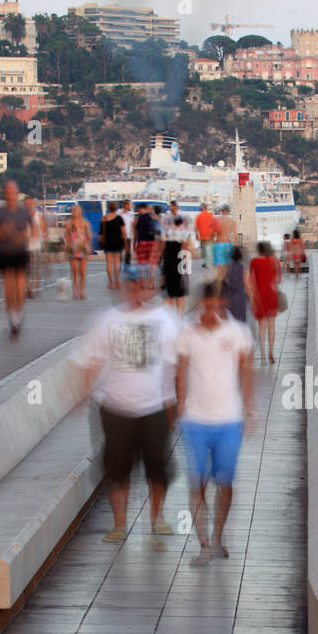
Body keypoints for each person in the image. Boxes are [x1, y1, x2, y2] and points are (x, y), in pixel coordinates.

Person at [74, 273, 180, 546]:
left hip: (154, 408)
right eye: (131, 288)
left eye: (143, 287)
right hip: (115, 408)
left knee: (158, 470)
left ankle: (156, 519)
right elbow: (91, 360)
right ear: (124, 290)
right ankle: (120, 523)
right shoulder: (107, 319)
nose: (136, 293)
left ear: (152, 289)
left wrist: (175, 405)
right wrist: (82, 393)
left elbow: (176, 366)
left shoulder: (166, 320)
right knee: (118, 471)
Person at [175, 282, 254, 566]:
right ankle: (203, 544)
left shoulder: (238, 332)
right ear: (201, 303)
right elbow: (180, 370)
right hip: (194, 420)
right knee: (197, 482)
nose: (210, 309)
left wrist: (249, 408)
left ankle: (218, 535)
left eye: (215, 303)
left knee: (225, 482)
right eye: (206, 303)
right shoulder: (186, 332)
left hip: (228, 419)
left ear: (221, 302)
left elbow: (246, 370)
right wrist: (180, 402)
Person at [0, 182, 33, 339]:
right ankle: (13, 319)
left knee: (20, 287)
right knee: (9, 287)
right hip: (5, 252)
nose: (11, 195)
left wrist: (21, 235)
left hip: (21, 251)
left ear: (17, 194)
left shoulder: (24, 213)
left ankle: (18, 315)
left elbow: (33, 232)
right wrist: (4, 231)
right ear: (5, 194)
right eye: (8, 192)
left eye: (13, 192)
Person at [247, 240, 281, 365]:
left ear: (259, 250)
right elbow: (279, 279)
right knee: (271, 326)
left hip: (259, 297)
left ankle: (262, 354)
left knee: (261, 327)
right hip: (272, 296)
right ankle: (271, 352)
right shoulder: (274, 261)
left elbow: (251, 281)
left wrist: (251, 298)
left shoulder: (254, 262)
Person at [160, 213, 192, 315]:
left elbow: (162, 250)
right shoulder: (185, 234)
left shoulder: (167, 233)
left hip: (167, 264)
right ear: (182, 222)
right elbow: (185, 253)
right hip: (179, 266)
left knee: (169, 293)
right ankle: (179, 318)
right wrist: (187, 271)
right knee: (180, 295)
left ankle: (169, 318)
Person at [132, 201, 163, 288]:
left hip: (141, 243)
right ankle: (150, 283)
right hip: (153, 243)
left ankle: (142, 283)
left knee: (142, 263)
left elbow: (135, 233)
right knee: (152, 264)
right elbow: (161, 231)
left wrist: (134, 244)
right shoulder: (155, 217)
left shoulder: (137, 219)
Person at [64, 204, 91, 299]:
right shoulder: (69, 223)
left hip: (83, 248)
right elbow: (66, 235)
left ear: (80, 212)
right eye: (73, 210)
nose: (75, 212)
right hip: (72, 248)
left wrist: (89, 248)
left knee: (83, 272)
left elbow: (89, 236)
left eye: (76, 210)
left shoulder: (85, 222)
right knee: (74, 271)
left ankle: (81, 292)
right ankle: (75, 292)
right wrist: (68, 245)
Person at [99, 201, 126, 289]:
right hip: (118, 241)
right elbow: (123, 232)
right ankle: (117, 282)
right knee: (117, 262)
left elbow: (101, 233)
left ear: (108, 208)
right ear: (116, 208)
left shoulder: (104, 218)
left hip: (108, 242)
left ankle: (110, 283)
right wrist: (126, 243)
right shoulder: (119, 218)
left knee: (109, 263)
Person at [221, 246, 250, 324]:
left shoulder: (226, 267)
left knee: (229, 322)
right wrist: (251, 298)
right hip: (240, 297)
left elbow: (221, 281)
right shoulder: (243, 267)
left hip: (228, 297)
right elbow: (246, 284)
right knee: (240, 322)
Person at [212, 204, 236, 281]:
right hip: (228, 245)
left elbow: (214, 235)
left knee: (219, 268)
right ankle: (225, 283)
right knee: (227, 267)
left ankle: (219, 283)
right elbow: (235, 235)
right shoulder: (232, 221)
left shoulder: (217, 220)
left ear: (221, 211)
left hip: (219, 244)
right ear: (229, 211)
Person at [195, 201, 217, 270]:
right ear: (206, 208)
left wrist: (196, 235)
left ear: (201, 208)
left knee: (204, 250)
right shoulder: (210, 215)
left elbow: (196, 227)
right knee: (210, 249)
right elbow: (214, 226)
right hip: (210, 235)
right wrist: (214, 235)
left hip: (202, 236)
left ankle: (206, 262)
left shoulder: (198, 216)